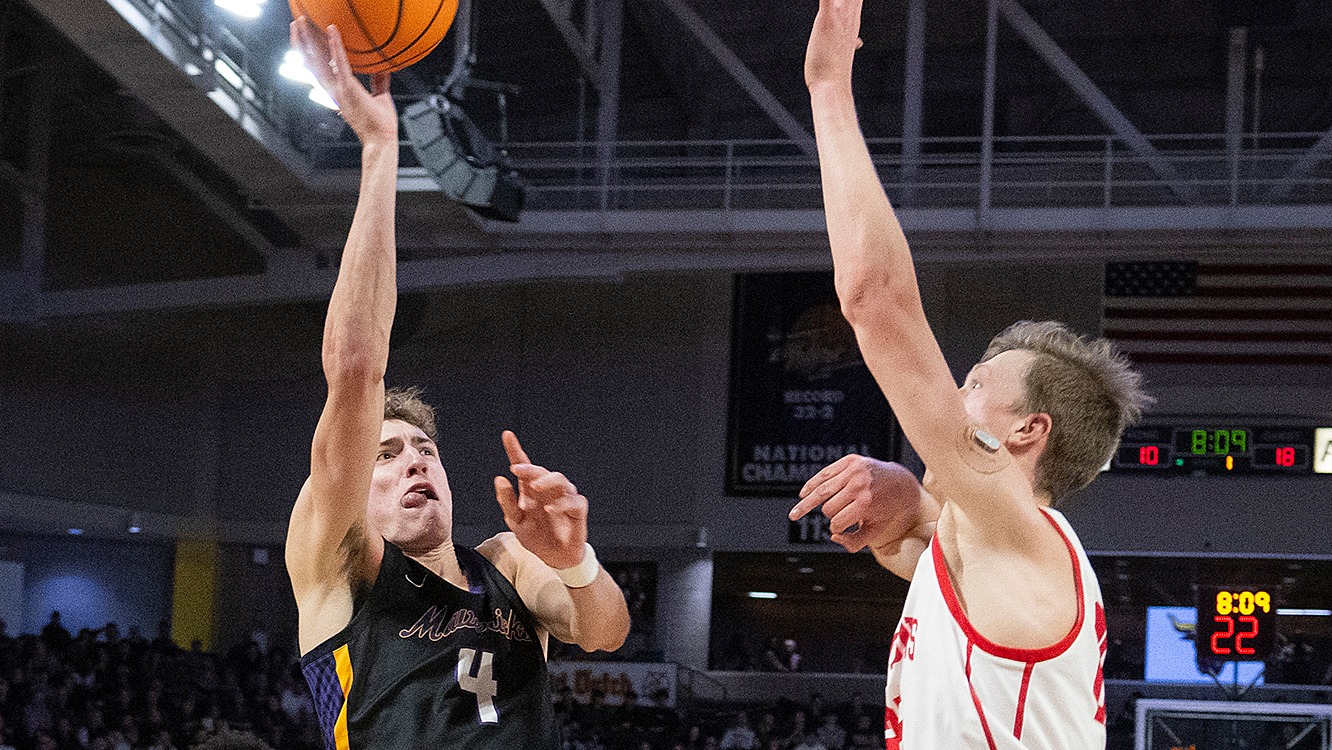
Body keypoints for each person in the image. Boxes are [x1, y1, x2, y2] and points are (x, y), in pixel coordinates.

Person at [789, 0, 1151, 747]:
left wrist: (829, 87)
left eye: (978, 383)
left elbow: (877, 302)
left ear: (1029, 430)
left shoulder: (1022, 538)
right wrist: (913, 494)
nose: (954, 393)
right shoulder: (981, 549)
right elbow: (913, 537)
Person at [284, 18, 631, 750]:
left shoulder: (506, 560)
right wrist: (381, 151)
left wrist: (574, 561)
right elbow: (354, 369)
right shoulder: (339, 565)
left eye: (422, 450)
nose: (413, 459)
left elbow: (604, 631)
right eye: (386, 454)